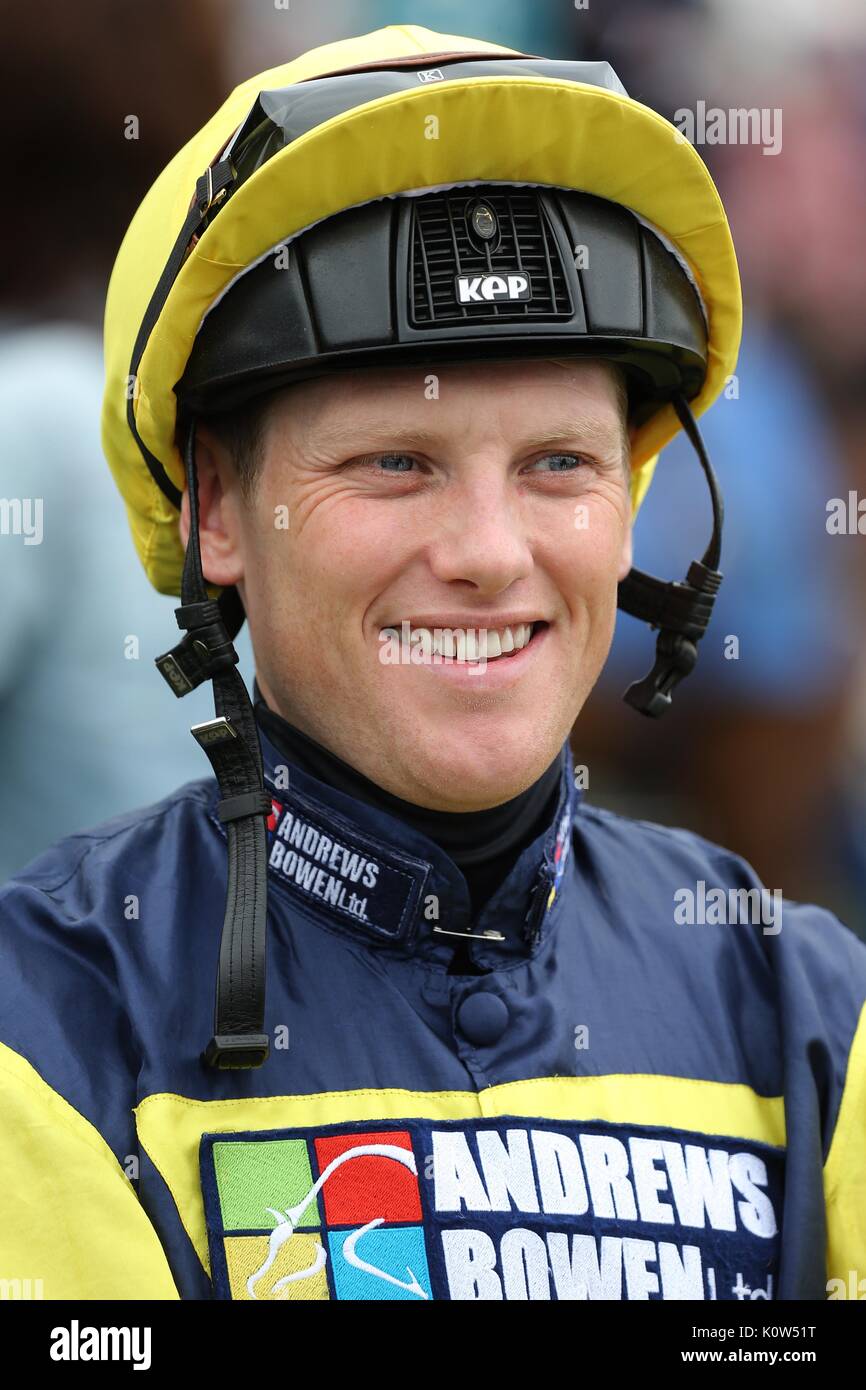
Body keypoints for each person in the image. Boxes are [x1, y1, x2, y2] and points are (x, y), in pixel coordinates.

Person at [0, 23, 863, 1303]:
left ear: (627, 515)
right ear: (217, 511)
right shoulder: (47, 1021)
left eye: (557, 464)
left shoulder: (810, 1011)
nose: (487, 553)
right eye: (394, 463)